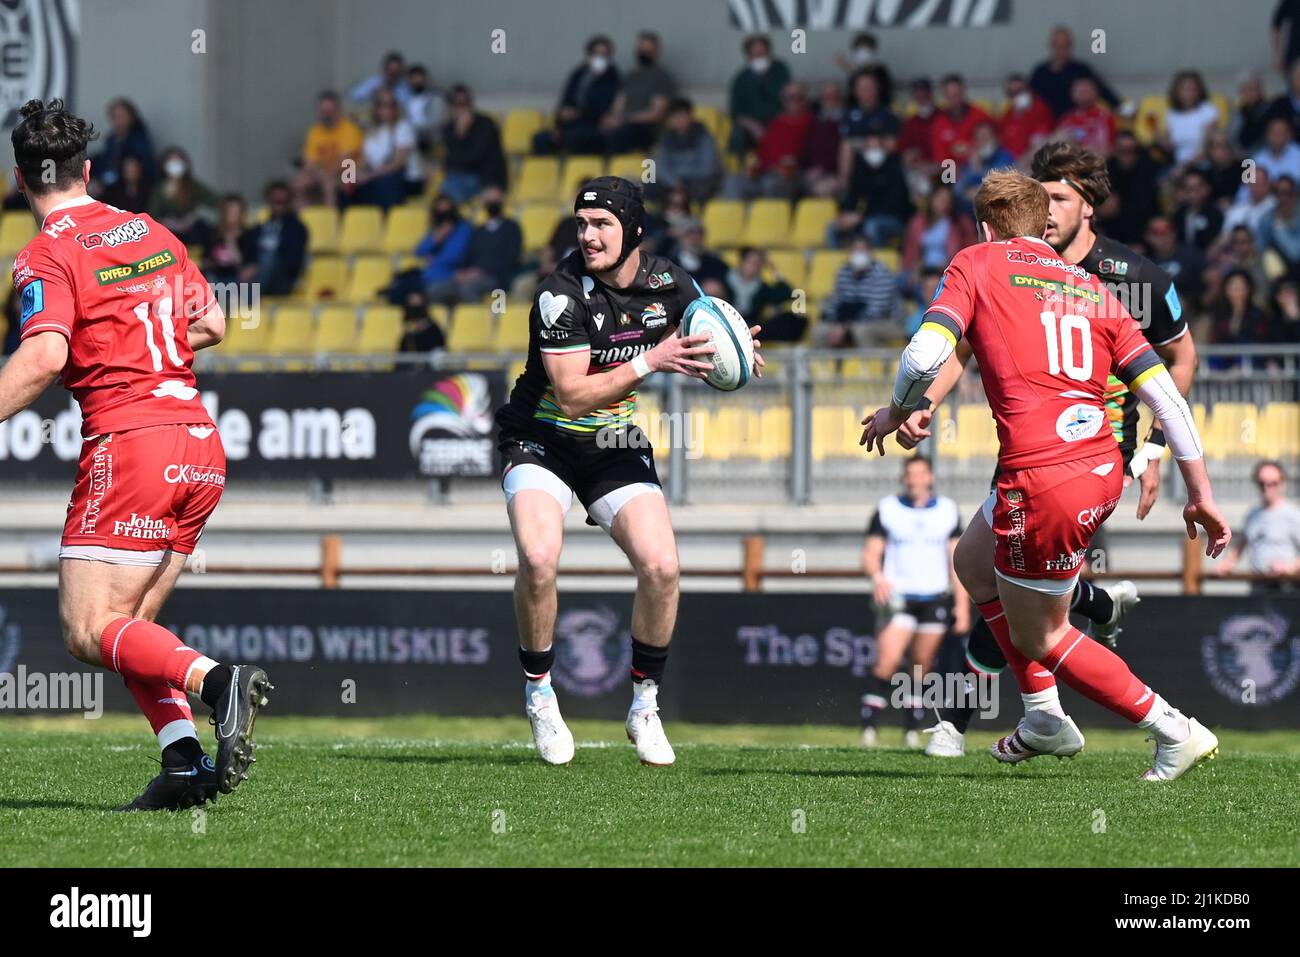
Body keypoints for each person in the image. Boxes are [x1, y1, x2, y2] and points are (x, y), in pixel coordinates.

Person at [863, 169, 1231, 781]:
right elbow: (1169, 400)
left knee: (1045, 638)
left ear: (985, 226)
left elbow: (925, 353)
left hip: (1043, 477)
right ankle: (1040, 714)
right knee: (973, 563)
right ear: (1043, 226)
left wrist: (898, 410)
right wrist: (1202, 494)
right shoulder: (1092, 290)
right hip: (1098, 466)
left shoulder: (977, 261)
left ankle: (1173, 729)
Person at [0, 99, 270, 809]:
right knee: (130, 629)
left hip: (134, 444)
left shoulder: (43, 254)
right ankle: (182, 764)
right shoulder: (149, 230)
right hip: (200, 444)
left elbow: (44, 354)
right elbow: (211, 321)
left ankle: (219, 683)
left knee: (87, 629)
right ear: (88, 170)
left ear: (20, 180)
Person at [493, 176, 764, 765]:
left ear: (634, 231)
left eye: (602, 225)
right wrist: (654, 359)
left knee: (663, 566)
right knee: (539, 558)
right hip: (540, 437)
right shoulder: (560, 293)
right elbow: (569, 396)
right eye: (581, 224)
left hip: (613, 441)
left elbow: (702, 329)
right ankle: (540, 696)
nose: (588, 236)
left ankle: (644, 706)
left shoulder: (668, 281)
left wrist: (734, 349)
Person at [859, 455, 968, 749]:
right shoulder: (887, 510)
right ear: (903, 477)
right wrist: (878, 578)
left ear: (929, 477)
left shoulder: (947, 510)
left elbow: (956, 560)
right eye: (910, 474)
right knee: (888, 661)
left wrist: (962, 605)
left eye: (920, 473)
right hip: (899, 599)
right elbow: (870, 554)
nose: (914, 479)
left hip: (934, 598)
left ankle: (910, 729)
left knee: (921, 667)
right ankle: (869, 726)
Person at [424, 185, 520, 305]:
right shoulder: (479, 231)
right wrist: (463, 273)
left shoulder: (511, 227)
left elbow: (511, 257)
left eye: (495, 200)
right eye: (489, 200)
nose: (492, 203)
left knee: (468, 288)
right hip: (472, 276)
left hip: (497, 277)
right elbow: (469, 256)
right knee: (435, 290)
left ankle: (477, 321)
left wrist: (482, 271)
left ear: (502, 201)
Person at [1218, 461, 1300, 592]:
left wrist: (1289, 567)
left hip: (1286, 588)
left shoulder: (1293, 515)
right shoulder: (1253, 515)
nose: (1267, 488)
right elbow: (1242, 542)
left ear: (1282, 483)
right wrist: (1228, 562)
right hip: (1258, 586)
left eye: (1273, 483)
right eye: (1262, 484)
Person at [533, 36, 622, 155]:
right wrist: (559, 124)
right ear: (589, 55)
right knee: (540, 139)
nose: (600, 58)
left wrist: (578, 113)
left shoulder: (612, 76)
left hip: (593, 126)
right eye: (597, 54)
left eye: (604, 55)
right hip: (571, 124)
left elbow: (604, 105)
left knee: (575, 137)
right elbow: (565, 101)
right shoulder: (579, 74)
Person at [601, 31, 676, 154]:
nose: (644, 52)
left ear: (656, 51)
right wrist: (611, 119)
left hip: (646, 129)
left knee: (618, 136)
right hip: (624, 125)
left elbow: (655, 114)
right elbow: (619, 103)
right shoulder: (630, 76)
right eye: (642, 48)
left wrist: (625, 119)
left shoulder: (662, 77)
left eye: (648, 49)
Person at [819, 235, 899, 347]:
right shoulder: (843, 272)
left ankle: (870, 364)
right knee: (820, 331)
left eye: (862, 250)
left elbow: (876, 310)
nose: (859, 254)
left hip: (886, 321)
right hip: (849, 321)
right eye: (855, 250)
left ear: (870, 252)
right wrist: (835, 323)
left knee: (860, 330)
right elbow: (836, 302)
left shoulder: (882, 274)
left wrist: (845, 327)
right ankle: (824, 364)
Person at [1029, 25, 1122, 119]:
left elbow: (1103, 90)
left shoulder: (1081, 70)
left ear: (1071, 46)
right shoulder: (1040, 72)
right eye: (1058, 46)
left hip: (1076, 124)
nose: (1061, 50)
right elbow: (1029, 98)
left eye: (1065, 46)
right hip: (1046, 124)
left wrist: (1121, 107)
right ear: (1051, 46)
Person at [296, 90, 364, 207]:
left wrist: (327, 174)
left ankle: (329, 221)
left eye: (329, 111)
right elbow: (310, 161)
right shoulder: (315, 132)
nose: (326, 114)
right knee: (299, 183)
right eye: (323, 111)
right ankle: (303, 219)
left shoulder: (349, 129)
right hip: (324, 172)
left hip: (350, 172)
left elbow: (346, 159)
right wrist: (315, 173)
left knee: (328, 184)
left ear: (337, 110)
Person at [239, 181, 307, 296]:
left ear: (289, 203)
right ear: (269, 202)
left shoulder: (296, 229)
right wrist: (250, 266)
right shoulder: (258, 229)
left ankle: (247, 300)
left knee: (269, 259)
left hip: (282, 279)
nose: (279, 205)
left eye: (283, 202)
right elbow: (248, 255)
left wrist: (257, 266)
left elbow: (292, 261)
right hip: (254, 276)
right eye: (276, 201)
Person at [727, 35, 791, 156]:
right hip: (752, 125)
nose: (760, 58)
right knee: (737, 134)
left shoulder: (780, 70)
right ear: (749, 57)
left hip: (778, 121)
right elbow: (736, 113)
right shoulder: (741, 79)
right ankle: (739, 169)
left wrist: (777, 123)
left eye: (763, 53)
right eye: (755, 55)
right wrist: (754, 127)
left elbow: (790, 100)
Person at [441, 85, 507, 202]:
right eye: (458, 104)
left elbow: (483, 156)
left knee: (450, 197)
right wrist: (459, 134)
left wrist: (494, 185)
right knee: (442, 202)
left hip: (482, 178)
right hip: (456, 177)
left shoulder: (485, 124)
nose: (463, 108)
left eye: (466, 102)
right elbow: (451, 158)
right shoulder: (449, 128)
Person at [351, 88, 414, 210]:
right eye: (383, 105)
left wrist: (368, 176)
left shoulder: (403, 127)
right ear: (376, 108)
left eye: (392, 105)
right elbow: (365, 160)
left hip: (404, 179)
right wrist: (355, 174)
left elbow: (397, 164)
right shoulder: (372, 130)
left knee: (384, 184)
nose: (388, 110)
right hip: (377, 175)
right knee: (347, 184)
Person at [653, 98, 722, 203]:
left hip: (697, 182)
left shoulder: (703, 137)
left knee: (704, 186)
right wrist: (674, 181)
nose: (678, 120)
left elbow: (708, 168)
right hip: (674, 182)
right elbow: (660, 165)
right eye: (674, 116)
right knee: (650, 184)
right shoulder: (667, 139)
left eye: (682, 115)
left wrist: (681, 180)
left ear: (690, 116)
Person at [148, 146, 218, 249]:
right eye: (171, 162)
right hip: (169, 232)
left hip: (192, 232)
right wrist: (168, 222)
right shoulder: (159, 189)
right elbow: (152, 216)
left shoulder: (192, 185)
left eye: (178, 162)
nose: (175, 166)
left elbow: (214, 201)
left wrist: (192, 217)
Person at [416, 195, 473, 296]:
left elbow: (455, 256)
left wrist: (434, 260)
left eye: (446, 209)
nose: (443, 214)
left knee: (431, 291)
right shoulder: (437, 231)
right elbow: (420, 251)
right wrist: (437, 239)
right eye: (439, 209)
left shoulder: (464, 229)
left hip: (453, 275)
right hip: (435, 275)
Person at [1163, 70, 1221, 168]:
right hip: (1177, 164)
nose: (1189, 92)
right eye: (1185, 89)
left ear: (1199, 90)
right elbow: (1169, 147)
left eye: (1193, 89)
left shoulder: (1208, 110)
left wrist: (1186, 167)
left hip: (1202, 164)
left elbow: (1209, 146)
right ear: (1177, 91)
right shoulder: (1172, 113)